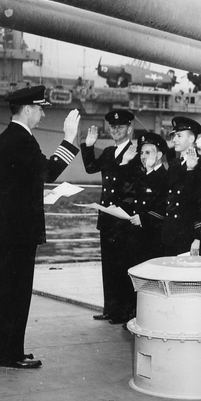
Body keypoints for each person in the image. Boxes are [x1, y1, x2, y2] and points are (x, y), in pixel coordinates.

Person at [0, 85, 80, 368]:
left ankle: (6, 350)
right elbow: (48, 171)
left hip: (6, 229)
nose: (41, 115)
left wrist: (24, 192)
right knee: (16, 293)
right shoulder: (23, 141)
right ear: (27, 109)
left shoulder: (2, 140)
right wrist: (69, 139)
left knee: (5, 293)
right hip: (19, 232)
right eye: (40, 109)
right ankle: (10, 354)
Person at [82, 110, 142, 325]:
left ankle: (125, 312)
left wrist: (125, 163)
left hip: (124, 218)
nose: (115, 130)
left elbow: (129, 186)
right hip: (107, 218)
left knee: (123, 266)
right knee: (109, 266)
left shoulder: (136, 153)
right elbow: (90, 168)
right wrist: (88, 146)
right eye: (113, 127)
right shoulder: (108, 152)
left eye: (120, 127)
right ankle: (111, 309)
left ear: (129, 129)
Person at [161, 116, 201, 255]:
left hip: (189, 234)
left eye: (179, 136)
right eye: (174, 136)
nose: (174, 140)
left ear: (191, 139)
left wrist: (198, 237)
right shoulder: (174, 164)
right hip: (171, 234)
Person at [127, 132, 169, 263]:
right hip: (138, 237)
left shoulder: (166, 177)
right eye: (141, 153)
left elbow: (161, 208)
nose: (143, 157)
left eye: (148, 153)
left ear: (159, 155)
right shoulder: (141, 176)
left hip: (154, 238)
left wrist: (143, 219)